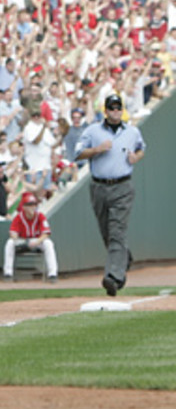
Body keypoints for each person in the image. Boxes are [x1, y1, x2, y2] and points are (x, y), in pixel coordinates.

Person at [74, 93, 145, 296]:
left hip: (123, 186)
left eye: (118, 108)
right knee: (106, 231)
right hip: (98, 186)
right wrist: (96, 149)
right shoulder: (93, 131)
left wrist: (135, 157)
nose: (115, 111)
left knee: (117, 231)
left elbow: (142, 149)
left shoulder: (132, 131)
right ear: (105, 111)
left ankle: (114, 277)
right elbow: (77, 152)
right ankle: (124, 257)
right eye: (112, 108)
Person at [2, 192, 58, 282]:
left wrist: (37, 242)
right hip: (23, 240)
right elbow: (13, 233)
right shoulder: (19, 217)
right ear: (24, 207)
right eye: (29, 205)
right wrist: (17, 239)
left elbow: (46, 233)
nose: (33, 207)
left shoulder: (40, 216)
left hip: (36, 241)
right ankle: (8, 273)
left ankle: (52, 274)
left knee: (48, 243)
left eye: (34, 204)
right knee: (10, 243)